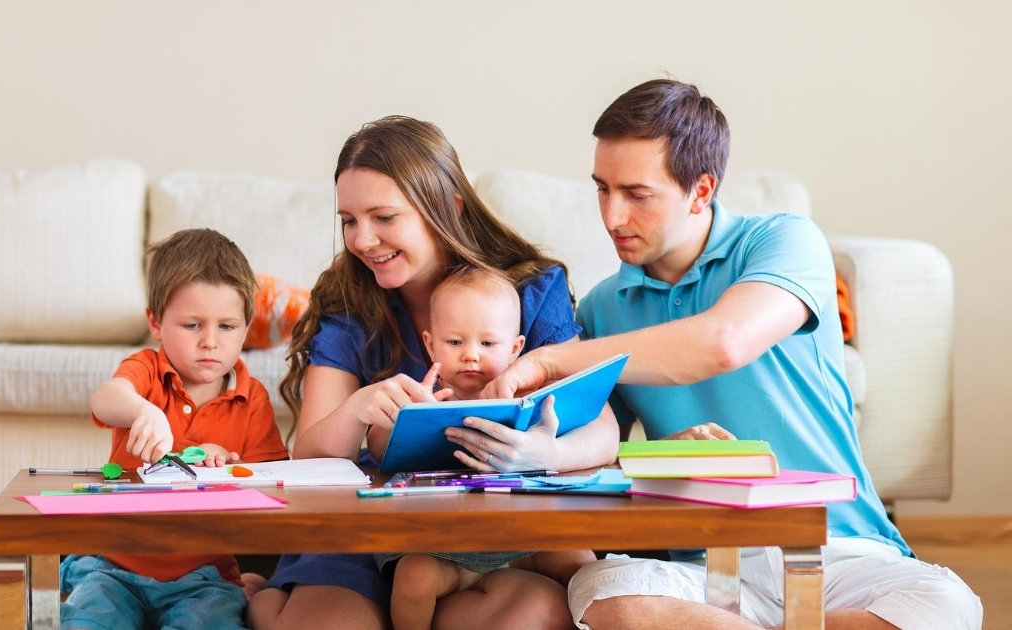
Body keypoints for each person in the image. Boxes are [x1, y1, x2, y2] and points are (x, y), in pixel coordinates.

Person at [470, 79, 983, 630]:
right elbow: (602, 456)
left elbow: (724, 342)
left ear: (701, 190)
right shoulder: (602, 310)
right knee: (597, 592)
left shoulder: (784, 242)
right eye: (602, 189)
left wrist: (550, 361)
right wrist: (654, 456)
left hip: (839, 548)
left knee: (949, 607)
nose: (612, 216)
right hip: (706, 571)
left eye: (637, 194)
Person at [245, 115, 620, 630]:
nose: (362, 240)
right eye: (349, 220)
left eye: (383, 217)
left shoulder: (528, 292)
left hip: (487, 537)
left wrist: (549, 452)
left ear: (447, 207)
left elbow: (601, 425)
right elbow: (308, 453)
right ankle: (268, 600)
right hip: (364, 528)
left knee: (539, 614)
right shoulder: (349, 302)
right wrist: (357, 410)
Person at [60, 228, 290, 630]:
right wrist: (141, 410)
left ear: (246, 327)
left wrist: (228, 471)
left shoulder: (252, 398)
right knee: (87, 621)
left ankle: (244, 588)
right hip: (114, 567)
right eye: (192, 325)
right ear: (156, 322)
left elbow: (274, 489)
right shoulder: (147, 370)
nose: (210, 342)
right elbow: (105, 398)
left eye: (227, 327)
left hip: (202, 576)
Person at [377, 265, 597, 630]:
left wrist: (549, 435)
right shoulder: (420, 398)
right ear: (431, 344)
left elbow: (568, 436)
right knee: (413, 576)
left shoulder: (528, 401)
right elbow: (378, 444)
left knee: (580, 558)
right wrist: (413, 420)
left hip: (520, 542)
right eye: (455, 342)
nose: (471, 355)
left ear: (515, 350)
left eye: (488, 343)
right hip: (443, 550)